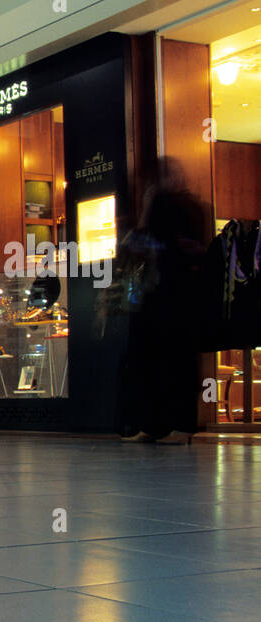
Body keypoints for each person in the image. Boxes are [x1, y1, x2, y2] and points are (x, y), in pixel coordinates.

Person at [122, 159, 209, 446]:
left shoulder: (189, 208)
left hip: (176, 296)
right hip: (156, 297)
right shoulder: (157, 208)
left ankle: (180, 425)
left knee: (176, 360)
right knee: (151, 360)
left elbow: (194, 249)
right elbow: (135, 246)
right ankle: (154, 424)